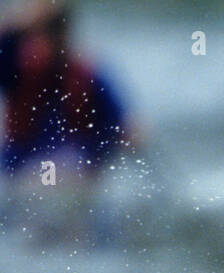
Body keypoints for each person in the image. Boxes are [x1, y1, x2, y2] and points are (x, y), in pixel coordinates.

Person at [0, 2, 129, 178]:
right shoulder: (15, 67)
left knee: (56, 172)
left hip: (70, 164)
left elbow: (127, 127)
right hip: (22, 164)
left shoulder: (88, 74)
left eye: (54, 31)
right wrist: (17, 24)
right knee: (47, 176)